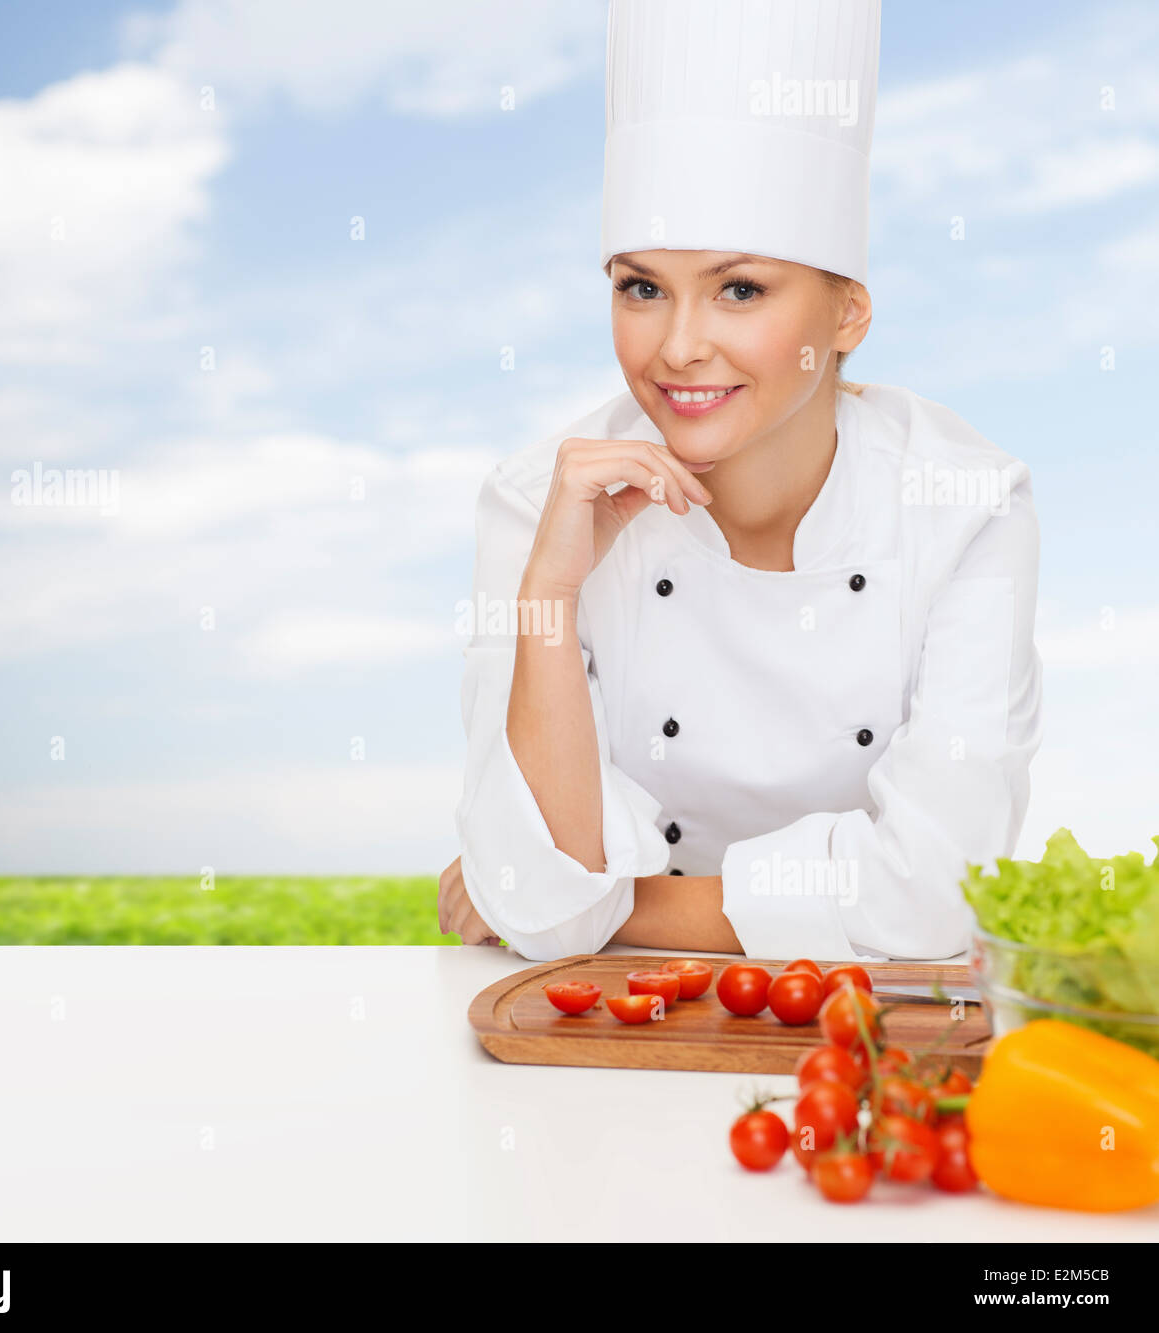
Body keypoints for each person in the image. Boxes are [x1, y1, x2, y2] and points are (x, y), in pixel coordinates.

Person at [438, 0, 1042, 962]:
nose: (678, 347)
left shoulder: (963, 507)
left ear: (848, 313)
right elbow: (538, 902)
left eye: (741, 289)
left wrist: (604, 907)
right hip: (606, 1057)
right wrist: (549, 594)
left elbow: (934, 900)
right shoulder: (540, 500)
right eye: (641, 287)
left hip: (858, 1045)